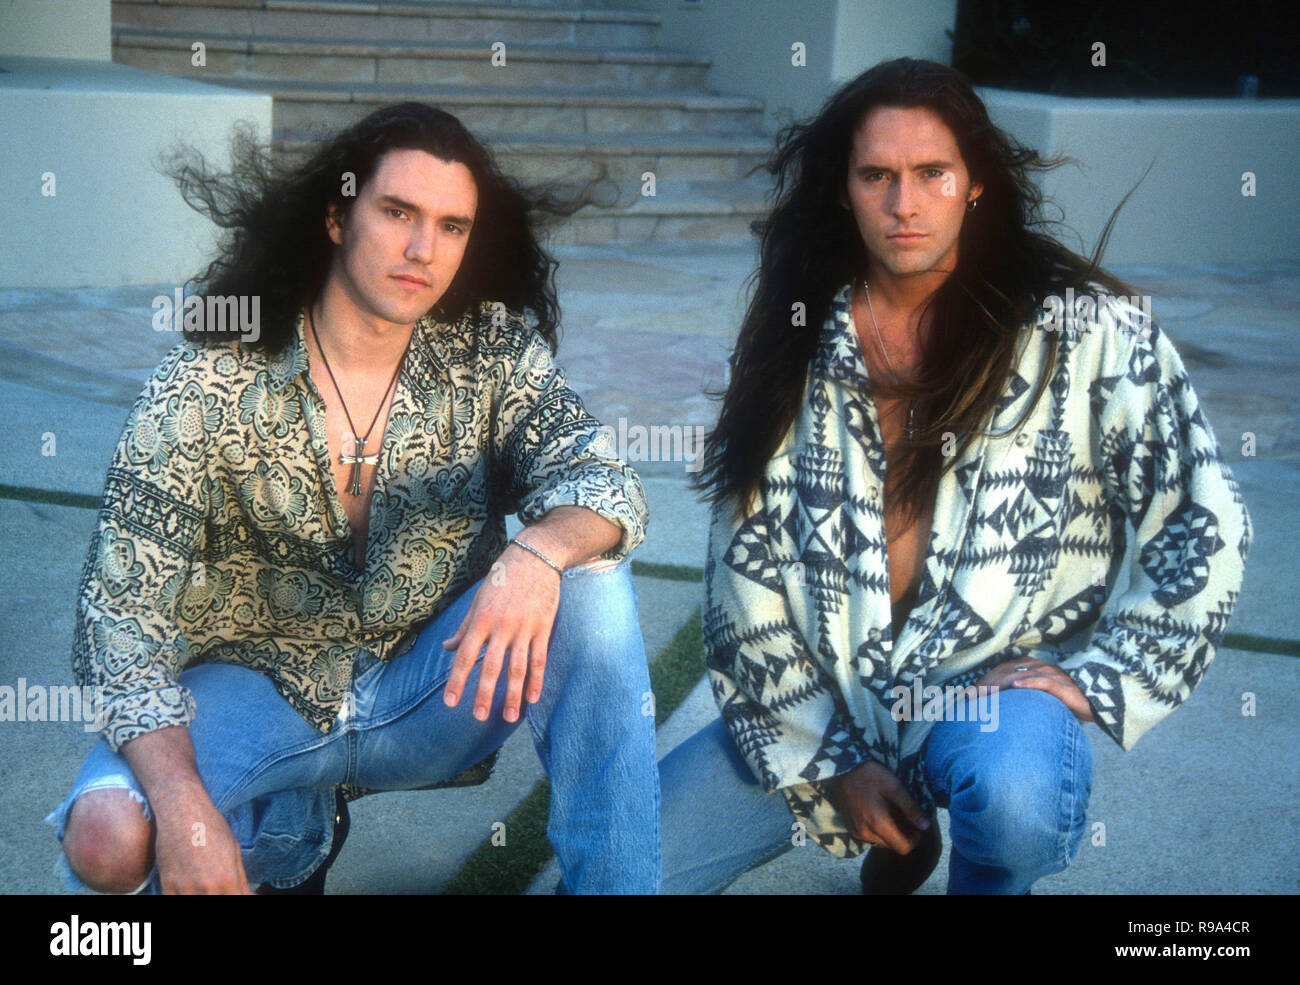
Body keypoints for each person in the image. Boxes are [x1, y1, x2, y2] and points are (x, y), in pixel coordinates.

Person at [659, 58, 1252, 894]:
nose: (904, 205)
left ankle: (983, 872)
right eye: (878, 176)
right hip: (827, 704)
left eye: (931, 173)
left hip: (987, 698)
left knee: (1014, 799)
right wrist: (829, 763)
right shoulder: (797, 337)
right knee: (619, 870)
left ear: (974, 182)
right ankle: (903, 831)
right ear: (843, 190)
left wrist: (1105, 675)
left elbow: (1205, 515)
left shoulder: (1084, 333)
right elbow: (739, 571)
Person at [45, 103, 658, 894]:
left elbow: (604, 477)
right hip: (259, 690)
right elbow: (118, 628)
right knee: (108, 838)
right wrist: (183, 801)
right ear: (338, 217)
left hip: (428, 691)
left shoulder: (489, 355)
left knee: (590, 579)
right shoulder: (206, 385)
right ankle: (287, 829)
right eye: (397, 212)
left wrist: (533, 555)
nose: (420, 250)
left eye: (451, 226)